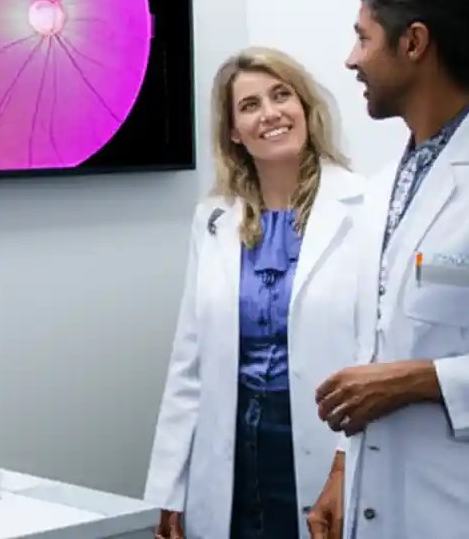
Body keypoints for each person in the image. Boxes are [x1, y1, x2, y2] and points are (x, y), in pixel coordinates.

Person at [306, 0, 469, 539]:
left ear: (414, 42)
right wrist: (343, 468)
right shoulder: (386, 186)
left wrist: (425, 380)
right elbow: (380, 346)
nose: (352, 59)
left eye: (363, 37)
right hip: (381, 503)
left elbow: (401, 371)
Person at [145, 47, 364, 539]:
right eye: (249, 105)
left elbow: (377, 351)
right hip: (230, 458)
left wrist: (347, 460)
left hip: (321, 446)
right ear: (233, 132)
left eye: (281, 95)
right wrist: (168, 489)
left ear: (305, 108)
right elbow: (189, 360)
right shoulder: (215, 218)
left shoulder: (363, 207)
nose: (270, 113)